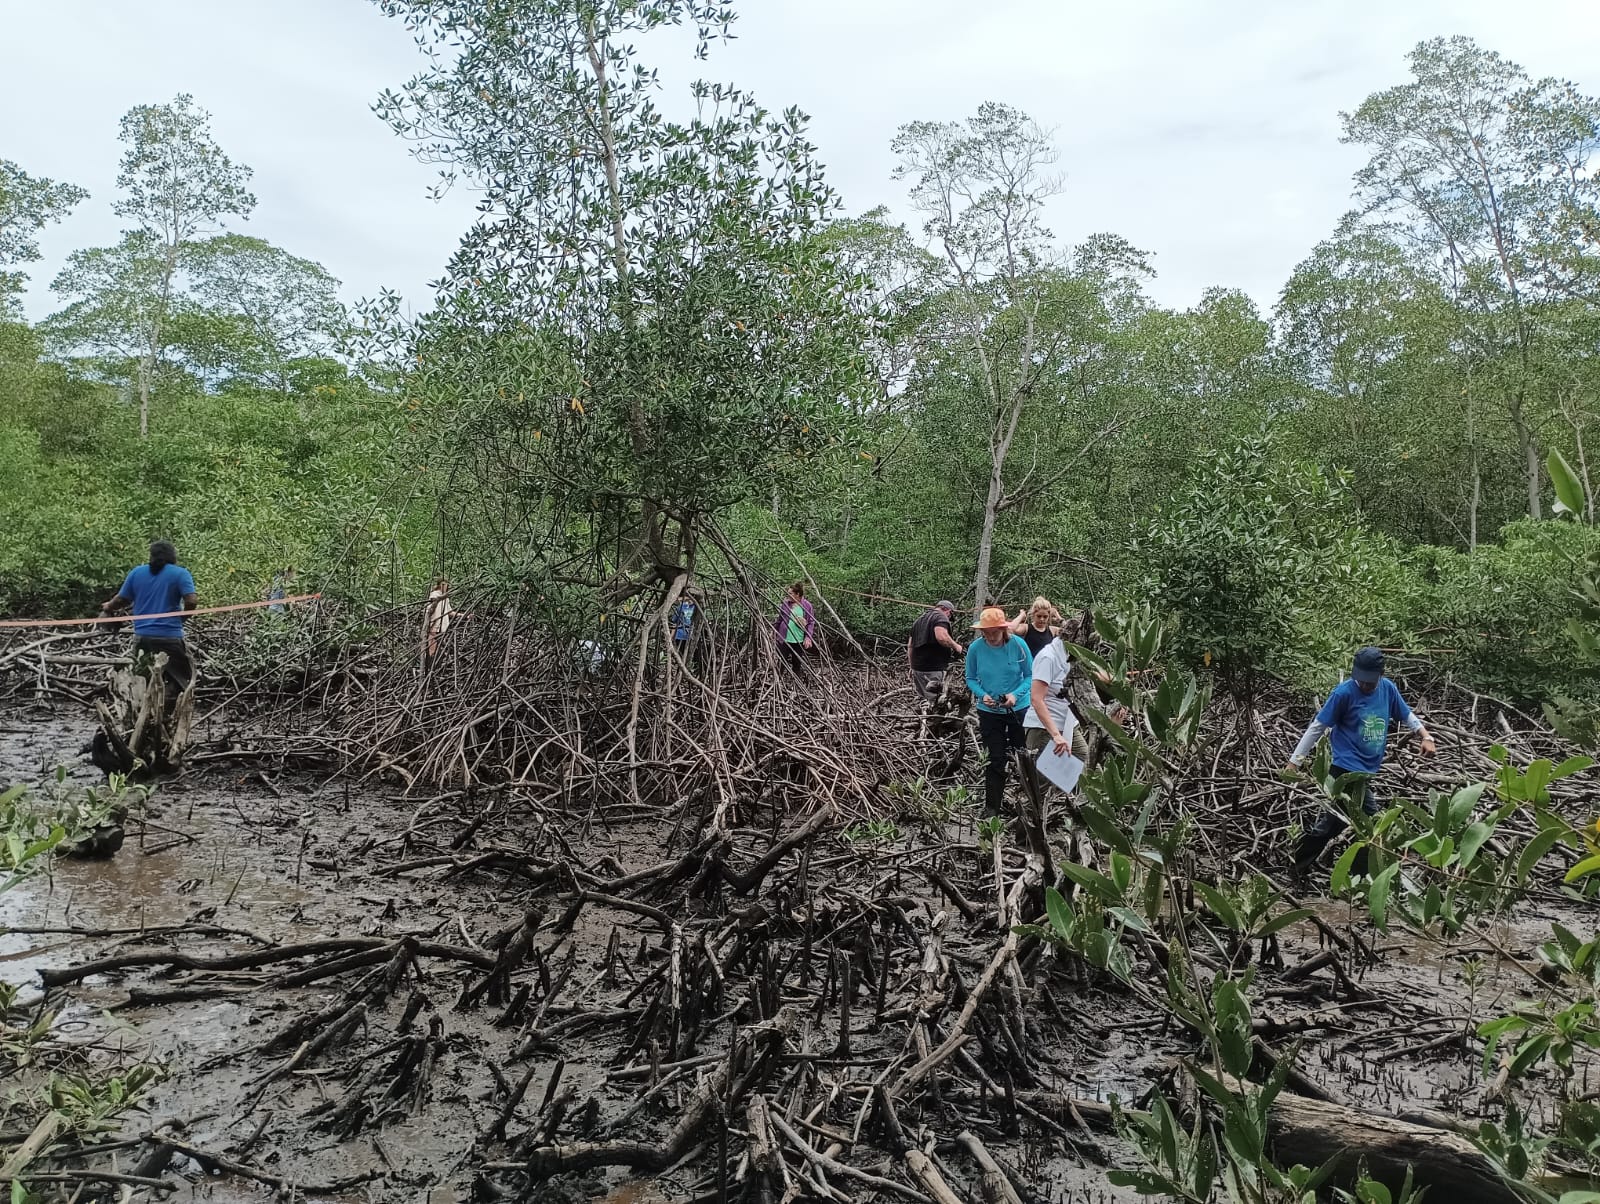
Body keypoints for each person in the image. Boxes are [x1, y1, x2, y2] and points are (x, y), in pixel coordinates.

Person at [1285, 646, 1436, 871]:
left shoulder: (1387, 689)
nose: (1365, 685)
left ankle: (1298, 865)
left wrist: (1425, 735)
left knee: (1332, 824)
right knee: (1371, 824)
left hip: (1366, 769)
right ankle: (1360, 880)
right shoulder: (1343, 693)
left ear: (1381, 675)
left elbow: (1406, 714)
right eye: (1361, 680)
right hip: (1344, 768)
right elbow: (1317, 727)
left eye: (1370, 681)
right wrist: (1294, 761)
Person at [100, 540, 197, 692]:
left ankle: (144, 713)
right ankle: (169, 712)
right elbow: (191, 601)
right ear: (173, 556)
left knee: (141, 681)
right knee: (181, 681)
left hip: (143, 638)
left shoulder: (137, 572)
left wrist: (108, 607)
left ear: (151, 556)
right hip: (170, 637)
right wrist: (181, 619)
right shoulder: (180, 574)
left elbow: (121, 600)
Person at [965, 606, 1034, 815]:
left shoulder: (1018, 645)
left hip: (1018, 709)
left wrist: (1015, 695)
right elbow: (970, 678)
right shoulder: (975, 649)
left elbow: (1031, 676)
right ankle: (992, 808)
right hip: (989, 712)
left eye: (994, 631)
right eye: (986, 632)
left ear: (1003, 629)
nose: (990, 636)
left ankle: (1031, 806)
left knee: (1024, 756)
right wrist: (982, 694)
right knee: (995, 759)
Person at [1024, 627, 1087, 768]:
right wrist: (1056, 735)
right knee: (1044, 780)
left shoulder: (1070, 656)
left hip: (1068, 723)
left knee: (1084, 762)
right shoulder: (1048, 657)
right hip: (1043, 727)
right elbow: (1036, 699)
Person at [907, 599, 964, 701]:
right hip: (933, 668)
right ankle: (934, 717)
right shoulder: (940, 616)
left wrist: (911, 666)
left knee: (923, 700)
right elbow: (941, 637)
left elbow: (910, 645)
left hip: (918, 668)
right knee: (935, 700)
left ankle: (924, 716)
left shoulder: (918, 620)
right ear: (947, 610)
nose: (949, 618)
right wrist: (956, 647)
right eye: (950, 615)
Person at [774, 581, 815, 671]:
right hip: (784, 638)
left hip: (798, 640)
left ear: (798, 594)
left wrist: (808, 637)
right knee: (781, 662)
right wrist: (774, 631)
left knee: (796, 663)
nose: (788, 595)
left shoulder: (807, 606)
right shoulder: (785, 604)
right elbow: (780, 619)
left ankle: (796, 682)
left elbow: (811, 622)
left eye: (790, 593)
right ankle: (778, 682)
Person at [423, 577, 457, 671]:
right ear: (439, 585)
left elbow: (450, 612)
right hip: (434, 628)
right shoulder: (434, 595)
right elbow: (430, 609)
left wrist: (465, 615)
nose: (445, 586)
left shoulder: (445, 598)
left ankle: (435, 670)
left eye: (445, 584)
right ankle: (429, 671)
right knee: (431, 650)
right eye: (442, 584)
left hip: (442, 628)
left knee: (439, 650)